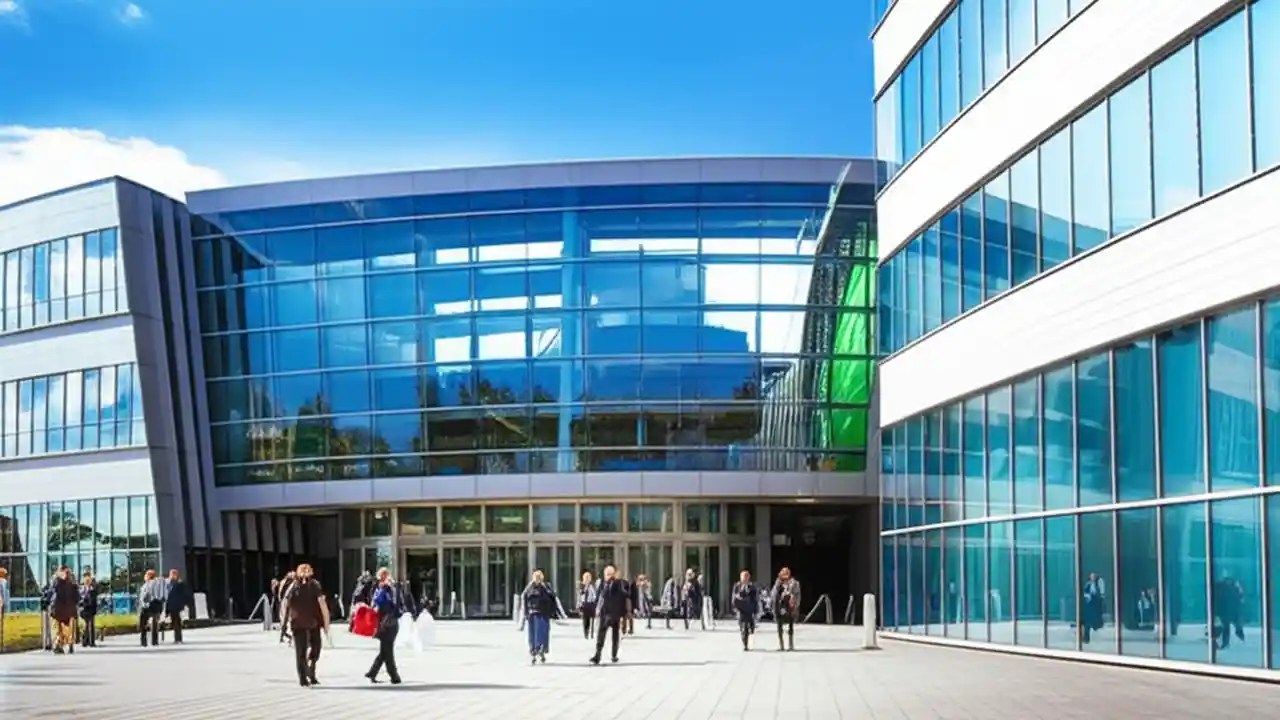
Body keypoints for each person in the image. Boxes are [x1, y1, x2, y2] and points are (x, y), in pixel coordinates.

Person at [286, 563, 330, 688]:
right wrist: (326, 624)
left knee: (300, 651)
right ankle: (310, 671)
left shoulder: (293, 586)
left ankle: (303, 678)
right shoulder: (314, 585)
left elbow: (286, 605)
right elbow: (322, 604)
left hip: (297, 623)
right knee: (315, 647)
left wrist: (286, 622)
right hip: (313, 623)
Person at [365, 567, 402, 685]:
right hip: (387, 623)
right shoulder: (382, 589)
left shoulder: (387, 589)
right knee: (387, 651)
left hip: (386, 623)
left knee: (385, 651)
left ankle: (372, 672)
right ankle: (394, 676)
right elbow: (379, 604)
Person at [589, 565, 629, 665]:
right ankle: (597, 655)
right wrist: (596, 609)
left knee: (615, 636)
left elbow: (624, 595)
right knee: (600, 635)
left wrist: (623, 614)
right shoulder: (602, 584)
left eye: (611, 574)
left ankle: (614, 655)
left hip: (614, 614)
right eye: (607, 574)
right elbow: (599, 597)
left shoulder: (618, 583)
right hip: (604, 613)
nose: (609, 576)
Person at [521, 569, 558, 664]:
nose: (537, 579)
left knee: (542, 634)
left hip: (543, 614)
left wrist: (553, 613)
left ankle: (541, 649)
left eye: (539, 577)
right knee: (533, 635)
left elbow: (552, 597)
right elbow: (524, 598)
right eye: (535, 577)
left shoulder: (546, 587)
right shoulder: (529, 587)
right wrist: (526, 613)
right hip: (533, 613)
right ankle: (533, 651)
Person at [49, 566, 79, 654]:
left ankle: (58, 643)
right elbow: (77, 597)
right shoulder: (72, 584)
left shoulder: (56, 581)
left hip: (57, 610)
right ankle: (66, 643)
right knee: (66, 629)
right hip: (68, 610)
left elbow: (51, 594)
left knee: (57, 628)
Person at [771, 567, 801, 651]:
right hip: (780, 607)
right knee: (779, 626)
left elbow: (798, 595)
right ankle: (781, 645)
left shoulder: (794, 583)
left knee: (790, 626)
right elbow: (773, 594)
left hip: (790, 607)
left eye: (786, 573)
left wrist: (795, 604)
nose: (785, 575)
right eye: (783, 573)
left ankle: (791, 644)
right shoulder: (778, 583)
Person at [731, 570, 760, 651]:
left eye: (746, 577)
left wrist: (756, 610)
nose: (744, 579)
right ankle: (745, 644)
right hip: (741, 610)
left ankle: (750, 631)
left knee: (750, 626)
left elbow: (755, 599)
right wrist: (734, 606)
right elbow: (734, 597)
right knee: (743, 627)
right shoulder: (737, 586)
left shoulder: (752, 587)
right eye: (743, 577)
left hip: (749, 610)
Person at [138, 569, 165, 647]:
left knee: (143, 624)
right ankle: (154, 641)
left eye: (146, 575)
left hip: (147, 606)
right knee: (154, 623)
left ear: (148, 576)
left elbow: (145, 595)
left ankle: (143, 642)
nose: (145, 577)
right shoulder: (158, 584)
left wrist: (143, 602)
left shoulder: (148, 584)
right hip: (157, 606)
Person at [164, 569, 189, 644]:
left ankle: (178, 638)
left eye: (175, 574)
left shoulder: (180, 584)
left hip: (177, 606)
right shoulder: (167, 583)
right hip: (170, 605)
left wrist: (183, 604)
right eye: (172, 574)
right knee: (174, 622)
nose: (173, 576)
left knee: (177, 622)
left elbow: (184, 594)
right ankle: (177, 638)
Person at [78, 572, 100, 648]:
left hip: (90, 609)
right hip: (84, 609)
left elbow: (94, 597)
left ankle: (91, 641)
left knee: (90, 626)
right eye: (86, 580)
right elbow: (79, 598)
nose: (87, 581)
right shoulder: (82, 589)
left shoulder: (93, 588)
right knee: (85, 626)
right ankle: (85, 641)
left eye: (88, 580)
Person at [577, 571, 598, 640]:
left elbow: (594, 595)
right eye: (586, 577)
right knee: (585, 619)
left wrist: (594, 601)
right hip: (584, 604)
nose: (587, 579)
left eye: (588, 578)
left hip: (590, 604)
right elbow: (580, 595)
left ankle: (591, 633)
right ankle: (586, 632)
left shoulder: (592, 586)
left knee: (591, 619)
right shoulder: (581, 586)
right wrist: (579, 604)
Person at [278, 571, 296, 645]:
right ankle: (287, 636)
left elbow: (280, 593)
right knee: (287, 619)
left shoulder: (285, 582)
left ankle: (284, 636)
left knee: (285, 619)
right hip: (287, 601)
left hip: (285, 601)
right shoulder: (294, 583)